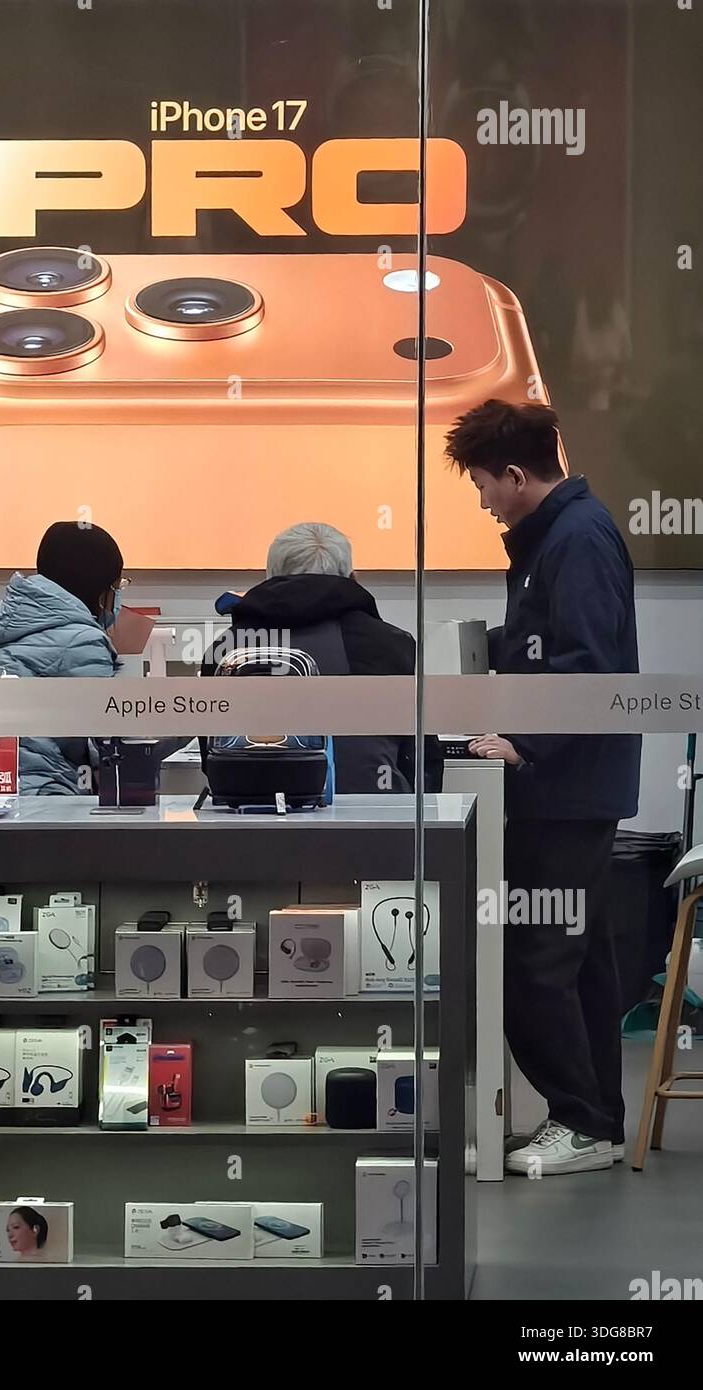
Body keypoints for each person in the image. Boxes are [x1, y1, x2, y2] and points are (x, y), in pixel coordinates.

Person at [445, 398, 640, 1176]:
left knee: (532, 959)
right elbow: (551, 647)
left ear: (517, 475)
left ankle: (580, 1117)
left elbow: (590, 669)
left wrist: (523, 744)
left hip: (565, 786)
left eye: (484, 485)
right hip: (568, 785)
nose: (483, 499)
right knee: (577, 959)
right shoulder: (553, 539)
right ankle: (592, 1119)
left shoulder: (576, 540)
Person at [203, 522, 442, 794]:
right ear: (353, 578)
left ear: (269, 577)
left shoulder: (230, 648)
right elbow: (424, 757)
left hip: (257, 817)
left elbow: (211, 759)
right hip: (378, 816)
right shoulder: (391, 644)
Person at [0, 522, 124, 794]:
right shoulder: (82, 640)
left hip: (1, 787)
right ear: (98, 584)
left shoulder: (10, 627)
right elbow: (103, 745)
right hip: (51, 793)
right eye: (117, 585)